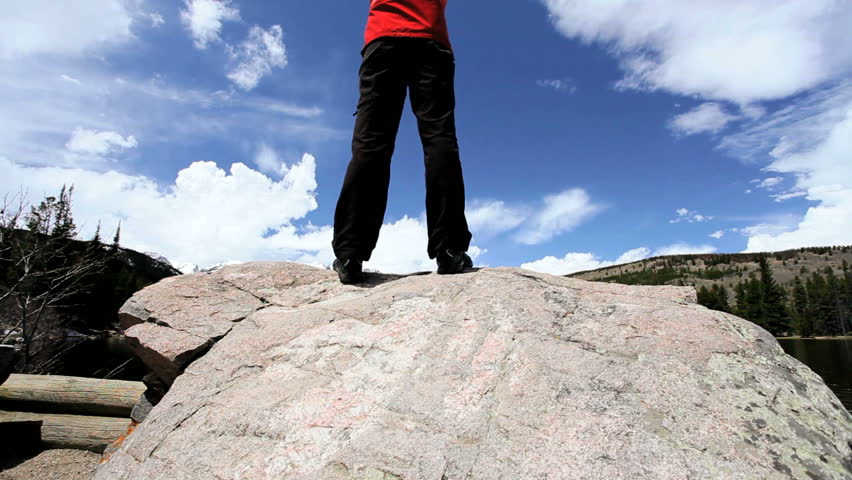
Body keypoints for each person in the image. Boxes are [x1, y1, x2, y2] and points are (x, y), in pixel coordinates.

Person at [331, 0, 473, 284]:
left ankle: (350, 253)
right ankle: (449, 248)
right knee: (439, 139)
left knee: (370, 143)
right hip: (431, 41)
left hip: (383, 38)